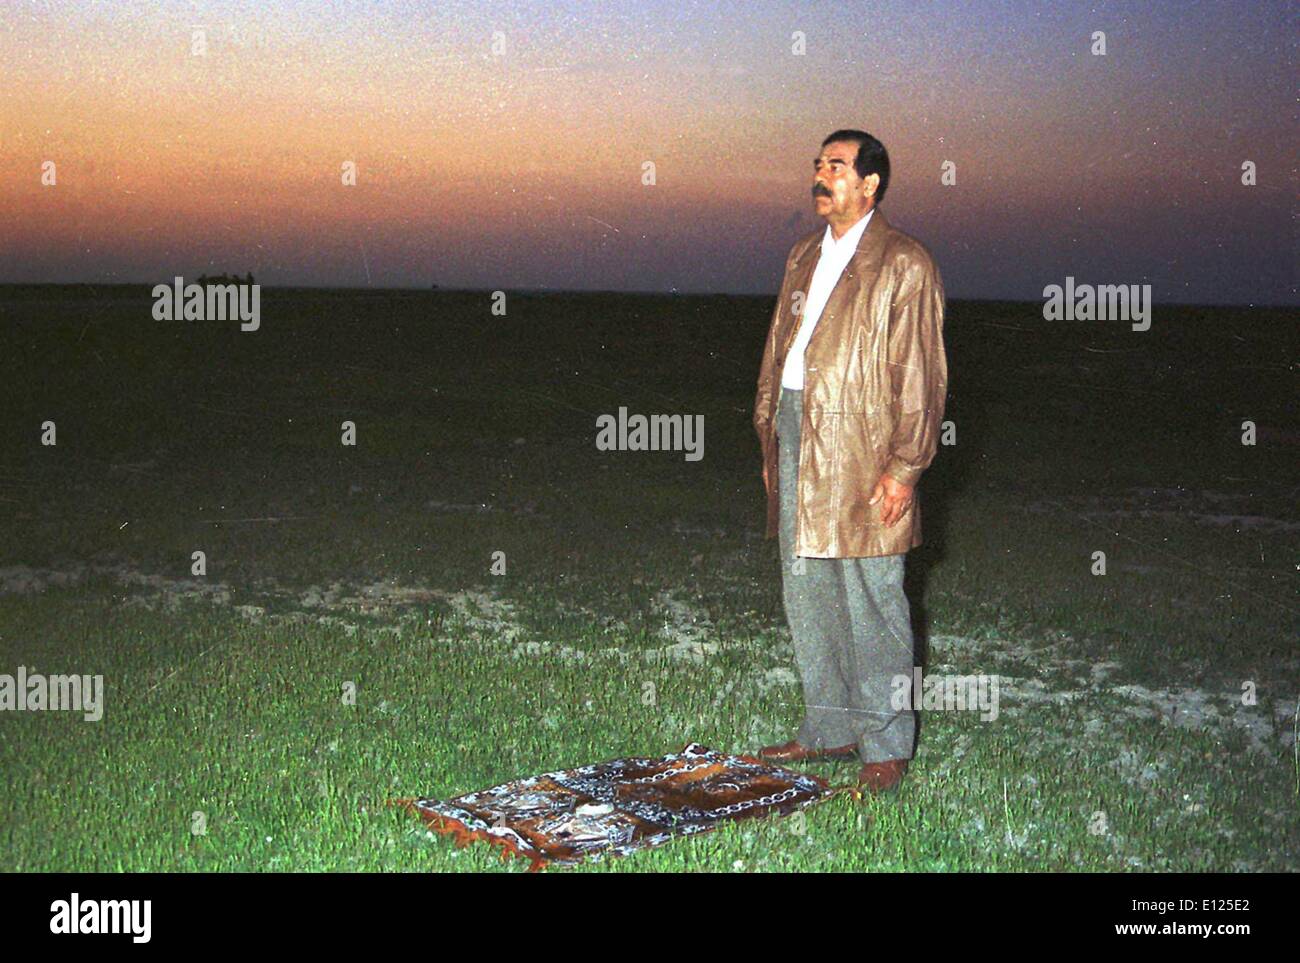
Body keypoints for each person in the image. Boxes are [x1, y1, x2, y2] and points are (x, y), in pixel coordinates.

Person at [752, 129, 948, 793]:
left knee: (874, 595)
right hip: (796, 424)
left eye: (836, 165)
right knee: (806, 586)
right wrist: (771, 431)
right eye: (818, 163)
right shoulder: (803, 254)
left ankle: (886, 745)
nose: (821, 174)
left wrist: (905, 467)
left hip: (865, 444)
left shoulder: (904, 261)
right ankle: (829, 728)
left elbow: (922, 373)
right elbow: (782, 347)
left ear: (870, 184)